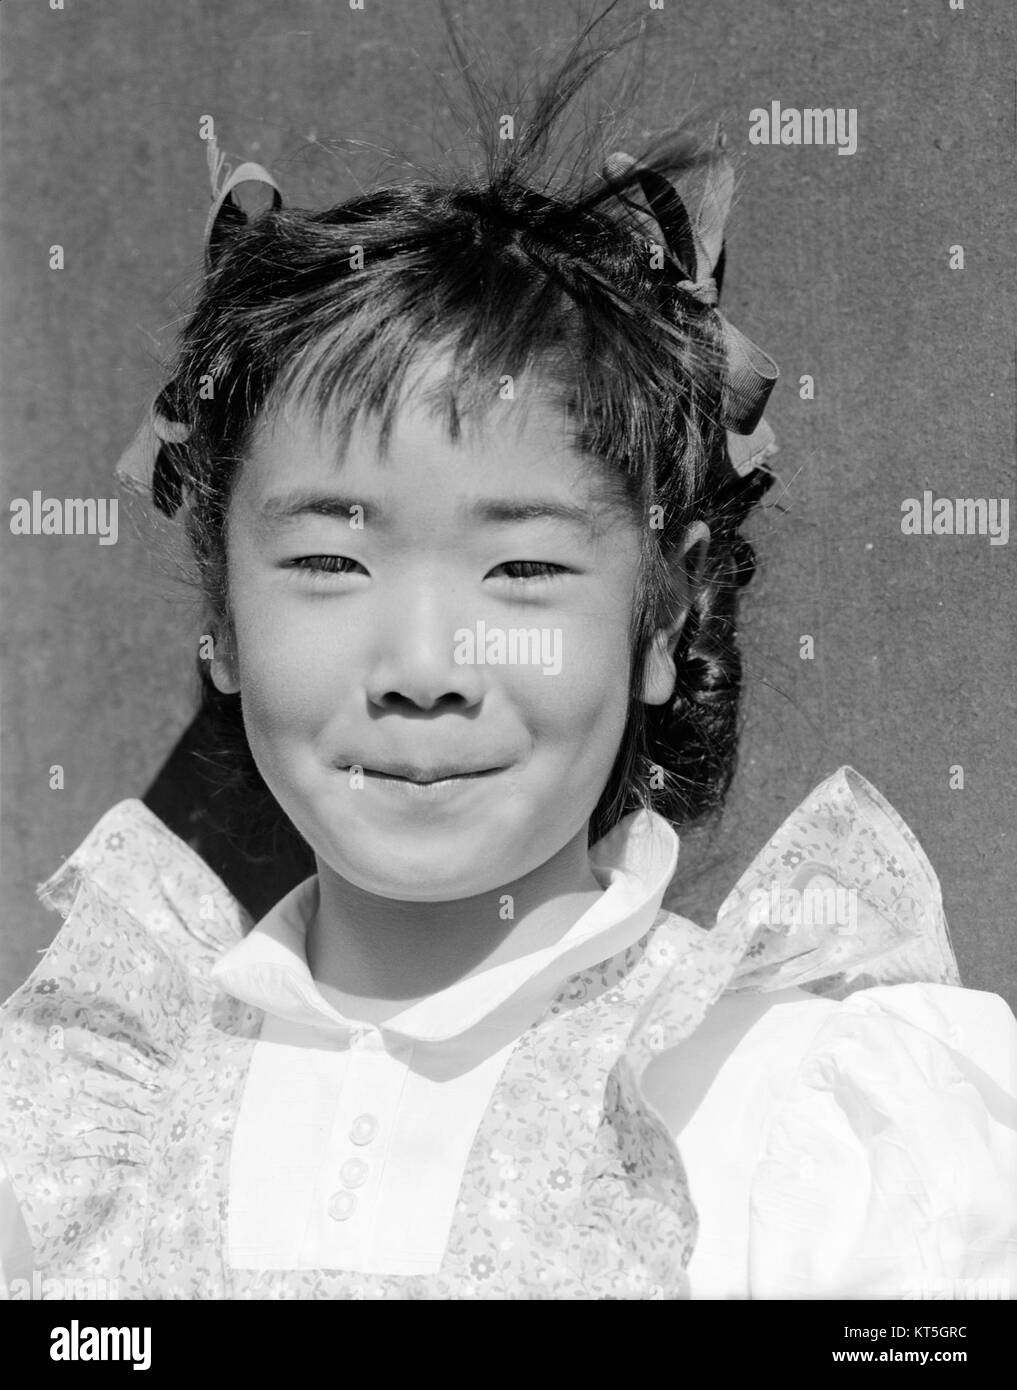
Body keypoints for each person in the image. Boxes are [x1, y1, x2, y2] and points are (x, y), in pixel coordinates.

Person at [1, 15, 1014, 1301]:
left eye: (523, 568)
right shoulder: (75, 1128)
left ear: (664, 616)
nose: (426, 663)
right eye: (329, 563)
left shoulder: (792, 1116)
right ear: (224, 624)